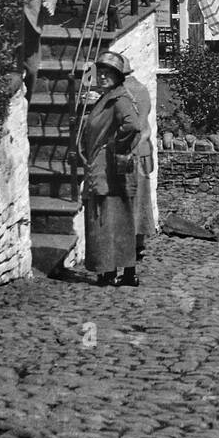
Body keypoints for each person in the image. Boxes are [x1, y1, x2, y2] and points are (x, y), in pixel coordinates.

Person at [79, 50, 141, 286]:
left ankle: (109, 270)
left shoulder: (119, 99)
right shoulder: (108, 97)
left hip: (106, 168)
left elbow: (132, 125)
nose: (103, 77)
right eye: (101, 72)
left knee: (105, 219)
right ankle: (124, 271)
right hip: (107, 168)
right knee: (117, 219)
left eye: (109, 73)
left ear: (118, 77)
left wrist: (116, 145)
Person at [120, 56, 155, 260]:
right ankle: (139, 242)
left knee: (127, 197)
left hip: (130, 151)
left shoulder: (123, 93)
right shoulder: (141, 88)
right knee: (141, 197)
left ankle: (129, 242)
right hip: (143, 150)